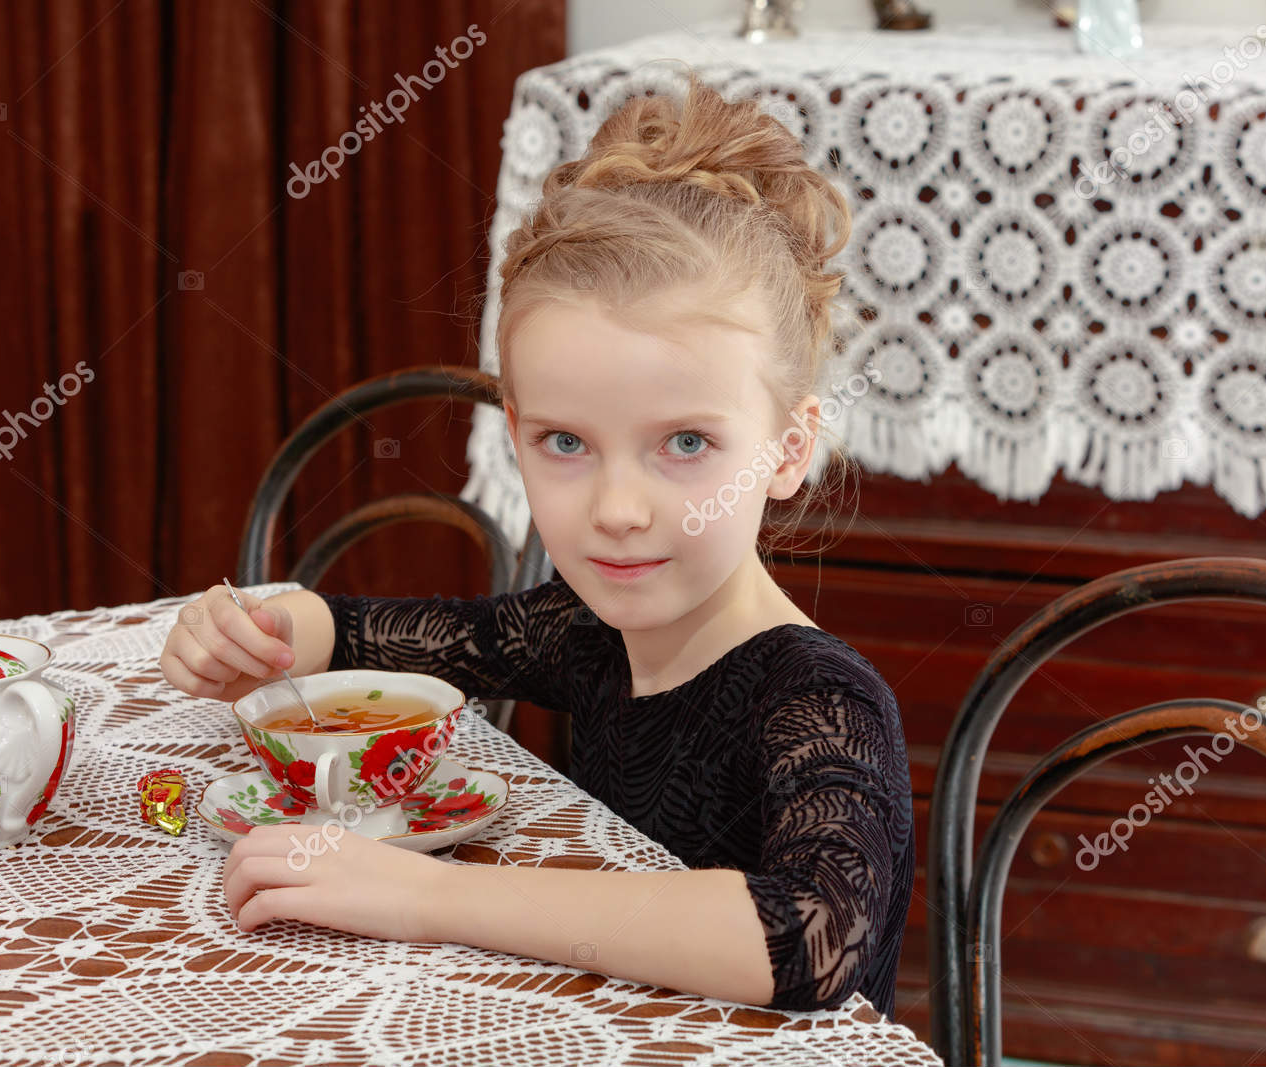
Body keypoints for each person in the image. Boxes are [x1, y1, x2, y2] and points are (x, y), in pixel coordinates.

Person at [158, 70, 915, 1019]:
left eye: (686, 443)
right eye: (567, 443)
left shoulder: (820, 698)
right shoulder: (587, 629)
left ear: (787, 449)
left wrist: (430, 897)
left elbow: (807, 934)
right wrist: (269, 630)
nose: (618, 509)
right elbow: (422, 638)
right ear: (514, 432)